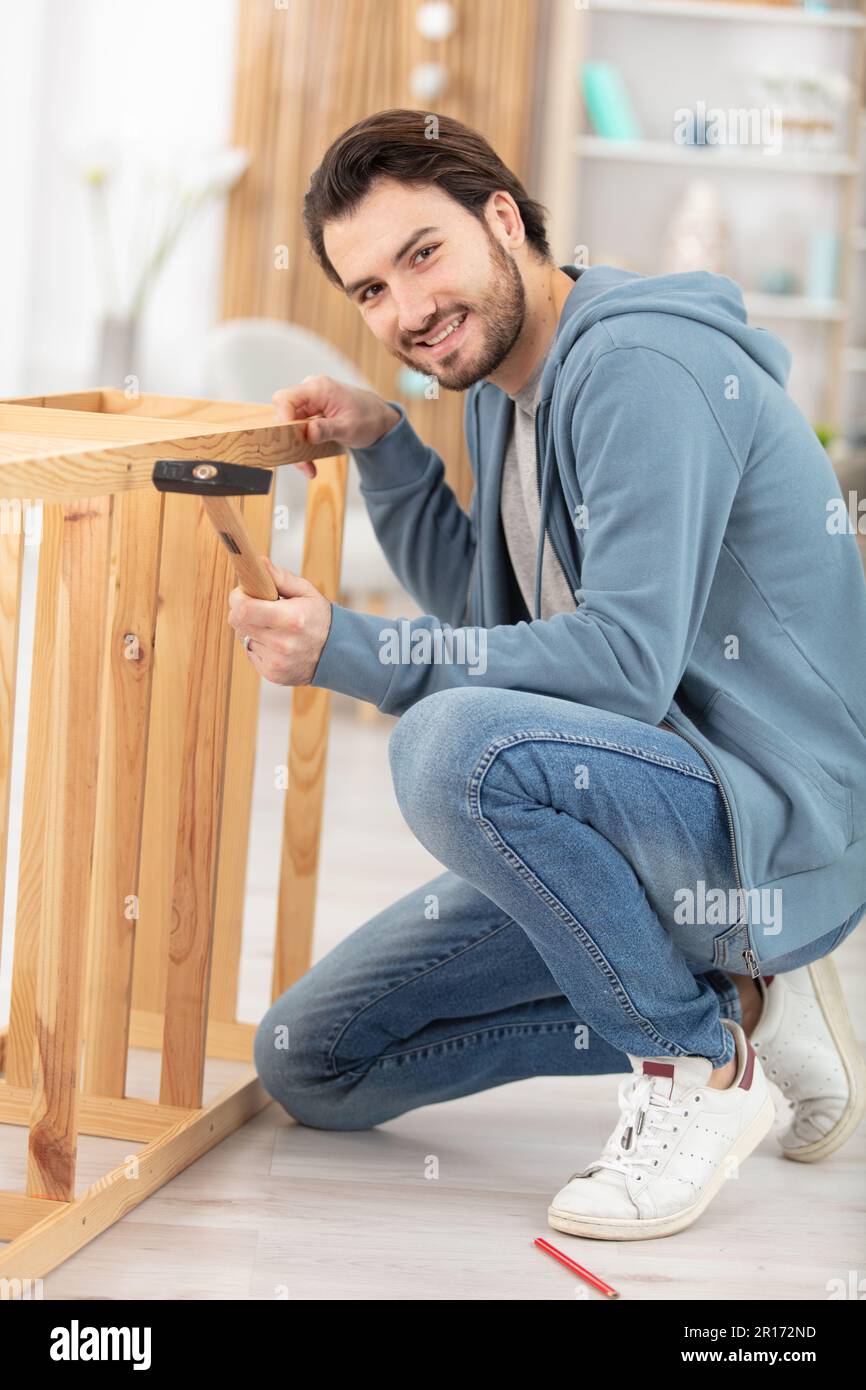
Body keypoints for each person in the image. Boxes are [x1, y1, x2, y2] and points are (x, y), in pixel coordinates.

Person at [228, 110, 866, 1240]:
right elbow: (488, 622)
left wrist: (351, 653)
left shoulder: (636, 365)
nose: (407, 311)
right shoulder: (498, 390)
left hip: (766, 815)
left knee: (446, 745)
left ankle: (696, 1064)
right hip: (638, 804)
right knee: (312, 1061)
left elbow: (617, 664)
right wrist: (388, 449)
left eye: (422, 254)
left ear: (503, 219)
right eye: (370, 290)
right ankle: (742, 1002)